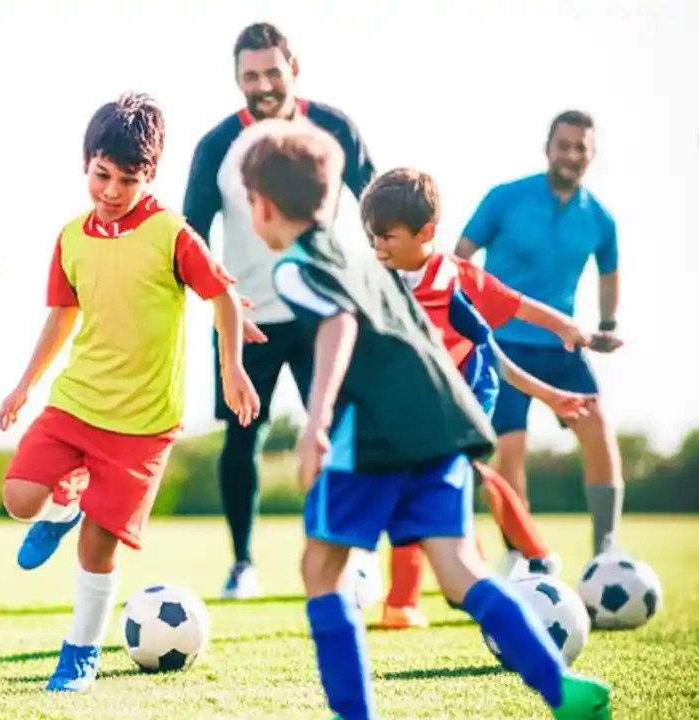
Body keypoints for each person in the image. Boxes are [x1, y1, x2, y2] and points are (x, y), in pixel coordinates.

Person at [241, 118, 610, 720]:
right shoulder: (373, 267)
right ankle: (559, 687)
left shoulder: (298, 268)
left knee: (321, 569)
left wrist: (316, 424)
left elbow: (339, 326)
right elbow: (449, 347)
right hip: (442, 429)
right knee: (461, 569)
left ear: (262, 206)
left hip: (375, 437)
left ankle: (352, 714)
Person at [0, 93, 259, 692]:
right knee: (18, 498)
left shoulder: (171, 232)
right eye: (102, 175)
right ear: (85, 164)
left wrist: (232, 368)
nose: (112, 190)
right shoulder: (69, 238)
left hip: (142, 426)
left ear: (151, 176)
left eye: (128, 179)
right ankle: (64, 503)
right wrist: (24, 385)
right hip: (75, 402)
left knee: (98, 546)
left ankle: (79, 653)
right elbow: (61, 317)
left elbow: (219, 295)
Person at [182, 21, 376, 597]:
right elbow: (190, 235)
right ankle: (243, 563)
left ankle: (355, 554)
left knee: (342, 432)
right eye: (250, 76)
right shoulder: (218, 145)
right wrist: (221, 303)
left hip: (324, 314)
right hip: (247, 321)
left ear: (295, 68)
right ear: (237, 79)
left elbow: (378, 204)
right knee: (241, 439)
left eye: (272, 72)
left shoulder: (335, 128)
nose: (263, 85)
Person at [359, 168, 597, 629]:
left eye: (387, 236)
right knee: (424, 484)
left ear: (426, 233)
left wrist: (566, 328)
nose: (378, 246)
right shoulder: (375, 283)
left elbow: (516, 309)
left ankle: (517, 559)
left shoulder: (459, 281)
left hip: (465, 399)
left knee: (439, 478)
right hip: (413, 407)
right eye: (372, 236)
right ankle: (427, 593)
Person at [455, 110, 625, 573]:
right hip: (502, 342)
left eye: (581, 148)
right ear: (547, 147)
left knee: (598, 430)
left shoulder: (601, 219)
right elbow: (460, 257)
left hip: (562, 345)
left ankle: (607, 550)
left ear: (591, 155)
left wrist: (607, 323)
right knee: (511, 448)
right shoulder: (505, 198)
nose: (572, 155)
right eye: (564, 145)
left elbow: (609, 271)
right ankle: (521, 553)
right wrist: (459, 317)